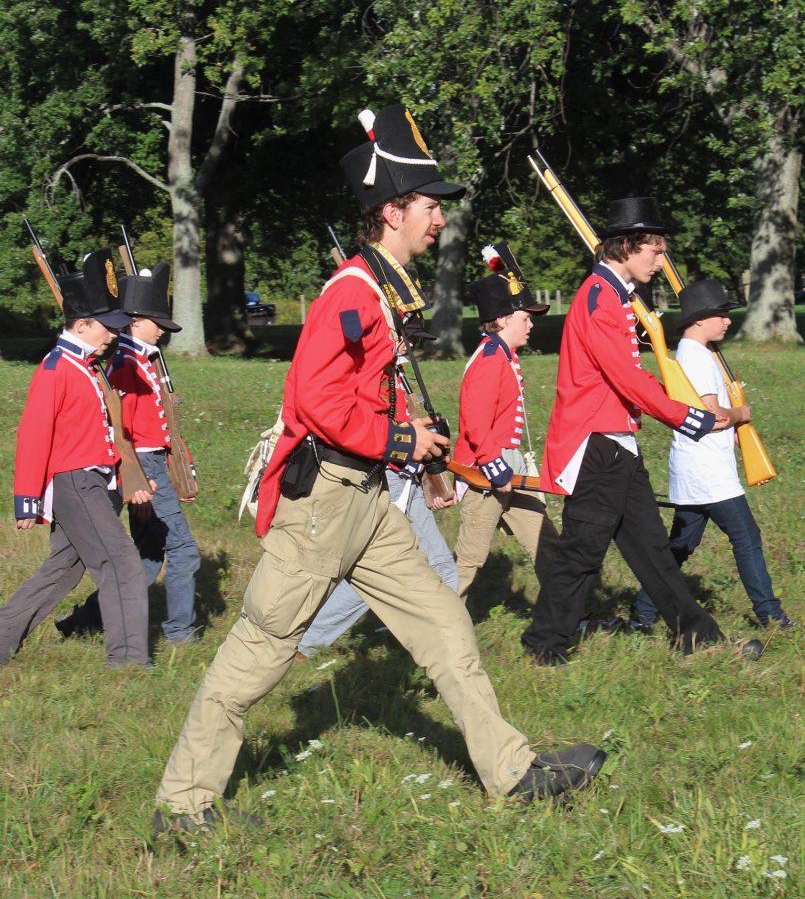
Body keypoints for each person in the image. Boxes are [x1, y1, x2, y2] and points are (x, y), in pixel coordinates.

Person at [153, 104, 605, 835]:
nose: (440, 219)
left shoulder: (381, 287)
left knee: (445, 626)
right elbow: (314, 398)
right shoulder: (352, 292)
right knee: (260, 651)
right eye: (430, 207)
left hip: (365, 502)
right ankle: (184, 804)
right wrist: (400, 439)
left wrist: (410, 434)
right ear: (393, 211)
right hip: (323, 508)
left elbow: (364, 391)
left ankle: (512, 771)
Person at [520, 197, 728, 666]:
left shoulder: (612, 294)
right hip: (598, 444)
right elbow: (625, 376)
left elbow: (629, 375)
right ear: (628, 246)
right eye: (655, 250)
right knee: (582, 551)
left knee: (651, 549)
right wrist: (687, 417)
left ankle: (696, 634)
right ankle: (544, 643)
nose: (660, 260)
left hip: (616, 442)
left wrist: (680, 406)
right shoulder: (600, 296)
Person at [0, 250, 151, 668]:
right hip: (75, 481)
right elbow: (33, 435)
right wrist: (27, 498)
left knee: (64, 569)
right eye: (106, 327)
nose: (113, 335)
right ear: (81, 325)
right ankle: (129, 662)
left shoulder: (86, 366)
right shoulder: (56, 369)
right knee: (121, 564)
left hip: (92, 481)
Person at [631, 279, 795, 631]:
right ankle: (771, 616)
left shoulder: (693, 354)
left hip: (696, 468)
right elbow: (714, 417)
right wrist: (741, 414)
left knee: (682, 544)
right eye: (721, 314)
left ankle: (643, 612)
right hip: (708, 472)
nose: (728, 321)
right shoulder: (697, 358)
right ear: (701, 319)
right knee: (746, 538)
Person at [55, 265, 202, 645]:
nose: (162, 330)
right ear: (136, 321)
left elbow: (161, 424)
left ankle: (85, 621)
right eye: (156, 322)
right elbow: (122, 433)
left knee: (148, 558)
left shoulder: (142, 360)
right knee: (184, 551)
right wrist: (135, 481)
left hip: (152, 465)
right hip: (143, 468)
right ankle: (180, 632)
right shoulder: (125, 364)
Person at [297, 345, 459, 660]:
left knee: (436, 565)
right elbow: (374, 429)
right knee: (377, 573)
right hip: (388, 478)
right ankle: (305, 642)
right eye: (408, 334)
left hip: (405, 477)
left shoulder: (396, 371)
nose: (413, 343)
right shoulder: (375, 370)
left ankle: (449, 639)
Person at [452, 242, 559, 599]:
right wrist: (494, 468)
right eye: (525, 317)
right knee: (469, 560)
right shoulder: (489, 359)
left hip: (508, 466)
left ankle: (569, 616)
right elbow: (475, 423)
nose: (531, 323)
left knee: (546, 543)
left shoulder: (504, 355)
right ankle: (439, 623)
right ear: (501, 319)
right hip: (486, 472)